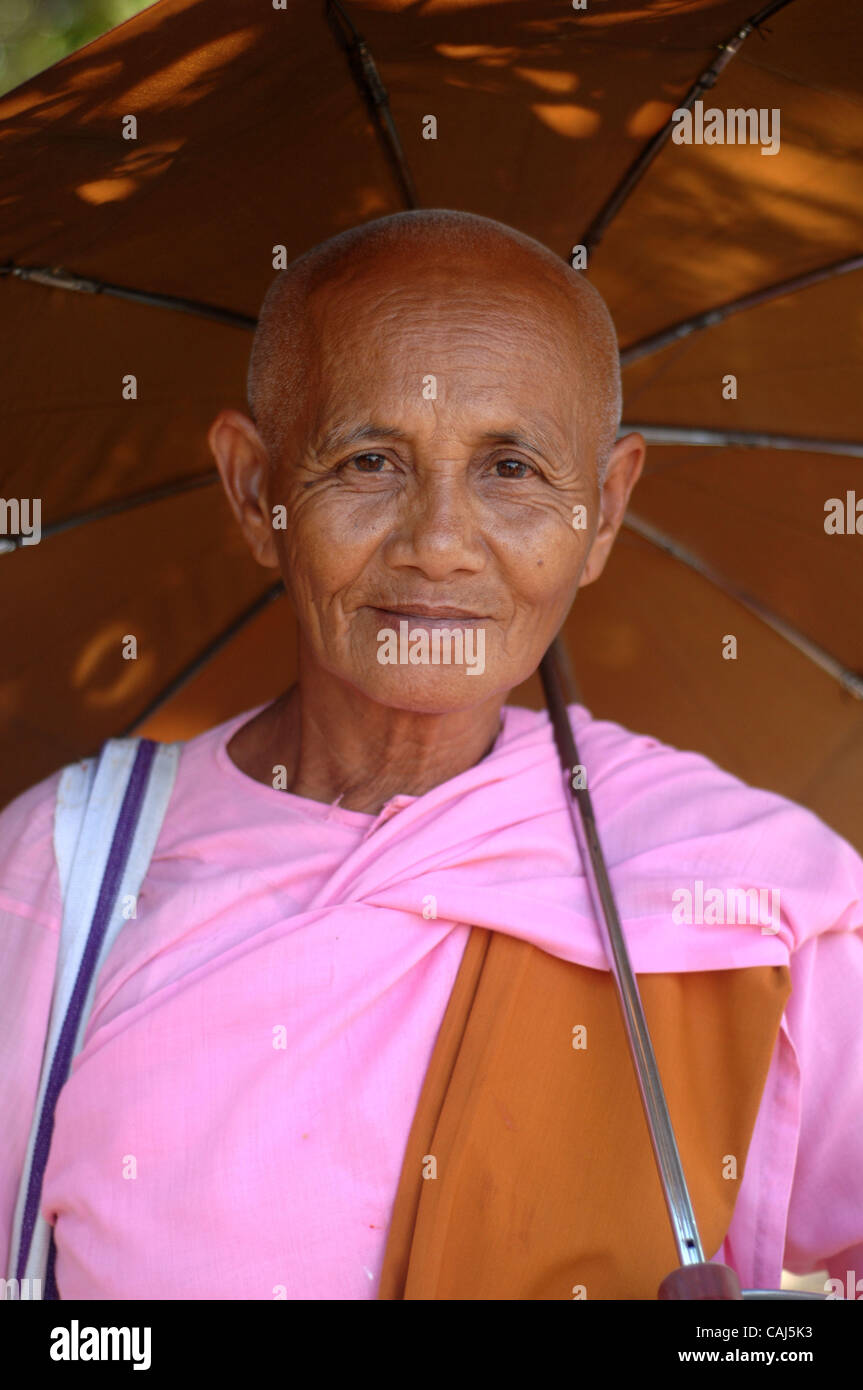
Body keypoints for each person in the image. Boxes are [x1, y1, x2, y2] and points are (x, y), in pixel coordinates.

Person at [2, 209, 862, 1300]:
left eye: (510, 468)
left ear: (602, 510)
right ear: (253, 487)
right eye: (369, 460)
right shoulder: (64, 874)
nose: (440, 542)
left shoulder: (740, 894)